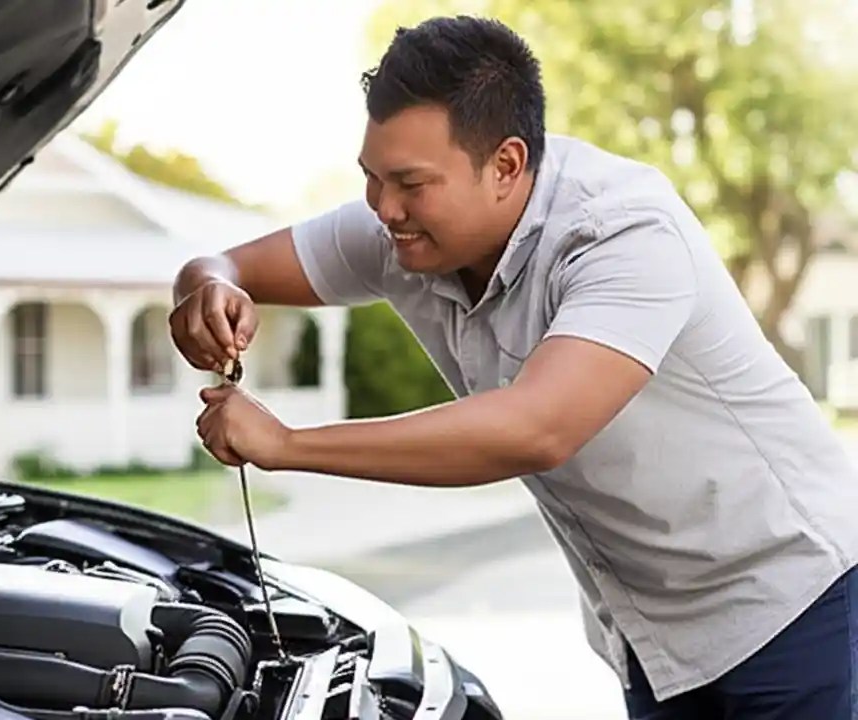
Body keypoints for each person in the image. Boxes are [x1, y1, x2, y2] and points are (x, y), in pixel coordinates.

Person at [169, 14, 858, 720]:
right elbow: (220, 265)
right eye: (371, 178)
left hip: (791, 602)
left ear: (505, 165)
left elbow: (534, 428)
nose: (384, 207)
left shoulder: (621, 232)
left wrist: (288, 445)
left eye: (409, 183)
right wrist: (209, 293)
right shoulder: (400, 232)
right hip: (652, 634)